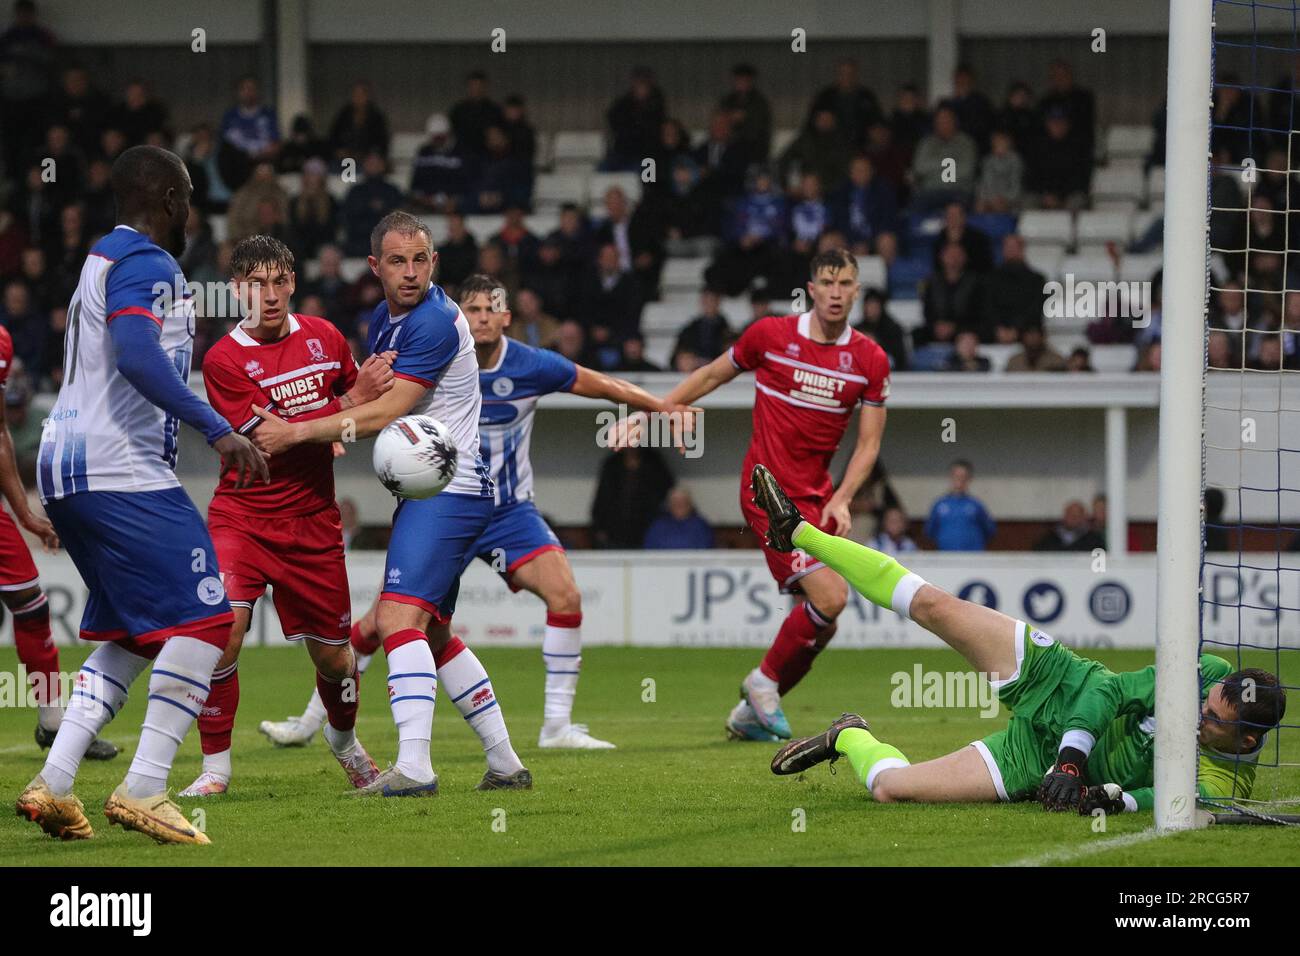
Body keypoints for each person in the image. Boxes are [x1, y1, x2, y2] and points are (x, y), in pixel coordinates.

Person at [269, 276, 696, 750]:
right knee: (383, 624)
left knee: (566, 597)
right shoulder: (439, 356)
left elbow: (601, 385)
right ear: (460, 316)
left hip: (509, 512)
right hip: (441, 506)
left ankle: (556, 726)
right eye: (473, 309)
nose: (483, 317)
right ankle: (314, 720)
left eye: (492, 309)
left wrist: (662, 406)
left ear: (507, 318)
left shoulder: (530, 364)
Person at [753, 464, 1286, 813]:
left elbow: (1170, 800)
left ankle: (848, 734)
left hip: (1035, 760)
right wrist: (1075, 758)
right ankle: (800, 532)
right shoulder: (1210, 673)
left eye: (1213, 720)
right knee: (935, 606)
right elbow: (1110, 693)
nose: (1200, 712)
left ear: (1246, 742)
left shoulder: (1228, 787)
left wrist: (1108, 798)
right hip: (1063, 685)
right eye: (1205, 703)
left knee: (892, 790)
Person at [16, 145, 267, 845]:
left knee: (130, 637)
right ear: (162, 196)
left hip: (67, 467)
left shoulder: (100, 259)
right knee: (211, 619)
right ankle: (148, 785)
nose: (192, 208)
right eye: (185, 193)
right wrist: (219, 430)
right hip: (119, 470)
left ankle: (55, 783)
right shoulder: (148, 263)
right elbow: (135, 353)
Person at [248, 211, 528, 795]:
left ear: (434, 261)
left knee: (397, 619)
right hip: (436, 489)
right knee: (433, 634)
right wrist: (338, 427)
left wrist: (300, 433)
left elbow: (387, 410)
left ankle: (416, 769)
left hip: (448, 489)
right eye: (397, 261)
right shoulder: (386, 318)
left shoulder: (429, 322)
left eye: (420, 259)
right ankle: (505, 764)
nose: (410, 271)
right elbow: (368, 404)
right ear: (375, 266)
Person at [176, 235, 397, 797]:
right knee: (221, 635)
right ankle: (215, 769)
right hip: (242, 517)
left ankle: (345, 744)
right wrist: (342, 411)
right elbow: (268, 440)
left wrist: (342, 419)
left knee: (336, 661)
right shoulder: (223, 359)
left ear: (292, 283)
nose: (269, 296)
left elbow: (364, 409)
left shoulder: (325, 337)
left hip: (312, 523)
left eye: (278, 282)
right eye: (256, 284)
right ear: (236, 290)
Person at [662, 248, 890, 743]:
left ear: (856, 290)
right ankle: (762, 683)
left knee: (823, 623)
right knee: (832, 596)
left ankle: (749, 715)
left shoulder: (870, 360)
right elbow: (710, 374)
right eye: (827, 283)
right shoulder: (769, 335)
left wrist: (845, 497)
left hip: (819, 498)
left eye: (845, 283)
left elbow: (869, 443)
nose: (835, 292)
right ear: (811, 288)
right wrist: (666, 407)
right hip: (766, 491)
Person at [0, 325, 117, 761]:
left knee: (31, 605)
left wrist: (25, 515)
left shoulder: (3, 343)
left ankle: (53, 722)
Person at [924, 459, 995, 550]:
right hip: (946, 556)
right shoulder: (939, 505)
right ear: (950, 477)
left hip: (973, 557)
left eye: (963, 477)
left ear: (969, 479)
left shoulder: (976, 505)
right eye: (956, 476)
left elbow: (989, 530)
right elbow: (930, 531)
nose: (959, 480)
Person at [644, 486, 714, 549]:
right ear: (669, 505)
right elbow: (649, 549)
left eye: (683, 501)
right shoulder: (658, 526)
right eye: (675, 502)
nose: (679, 505)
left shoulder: (700, 525)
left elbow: (705, 550)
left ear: (690, 504)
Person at [1034, 500, 1106, 552]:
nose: (1073, 518)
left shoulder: (1094, 540)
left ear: (1084, 517)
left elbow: (1100, 565)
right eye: (1070, 514)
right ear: (1064, 516)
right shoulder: (1049, 538)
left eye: (1077, 515)